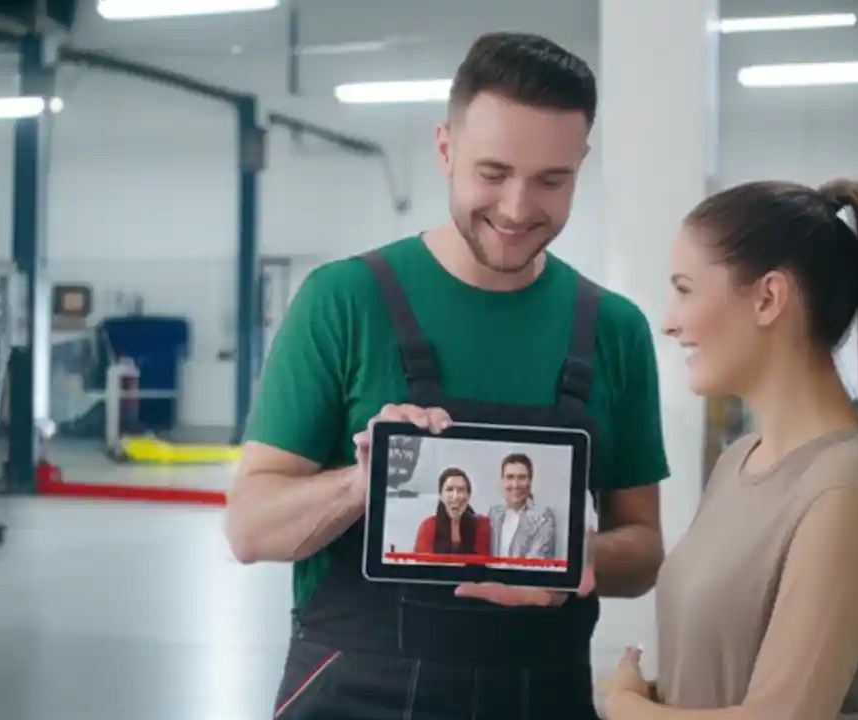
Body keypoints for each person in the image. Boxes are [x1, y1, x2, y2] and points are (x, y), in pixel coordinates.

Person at [225, 30, 669, 719]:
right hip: (354, 696)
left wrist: (575, 556)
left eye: (551, 180)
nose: (518, 207)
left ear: (581, 164)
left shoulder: (615, 329)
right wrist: (363, 482)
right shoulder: (344, 301)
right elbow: (250, 529)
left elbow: (643, 551)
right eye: (493, 173)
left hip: (540, 696)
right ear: (445, 150)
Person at [602, 179, 858, 719]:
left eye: (685, 290)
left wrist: (626, 708)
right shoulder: (737, 462)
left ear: (768, 298)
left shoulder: (846, 490)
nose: (668, 321)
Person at [487, 452, 556, 559]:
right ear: (502, 481)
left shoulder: (543, 517)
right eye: (510, 477)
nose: (515, 485)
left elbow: (537, 561)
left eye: (522, 478)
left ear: (530, 481)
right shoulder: (494, 513)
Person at [413, 467, 492, 555]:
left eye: (461, 490)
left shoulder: (482, 526)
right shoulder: (428, 527)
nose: (455, 497)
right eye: (449, 490)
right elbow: (422, 562)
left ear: (468, 495)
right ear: (441, 495)